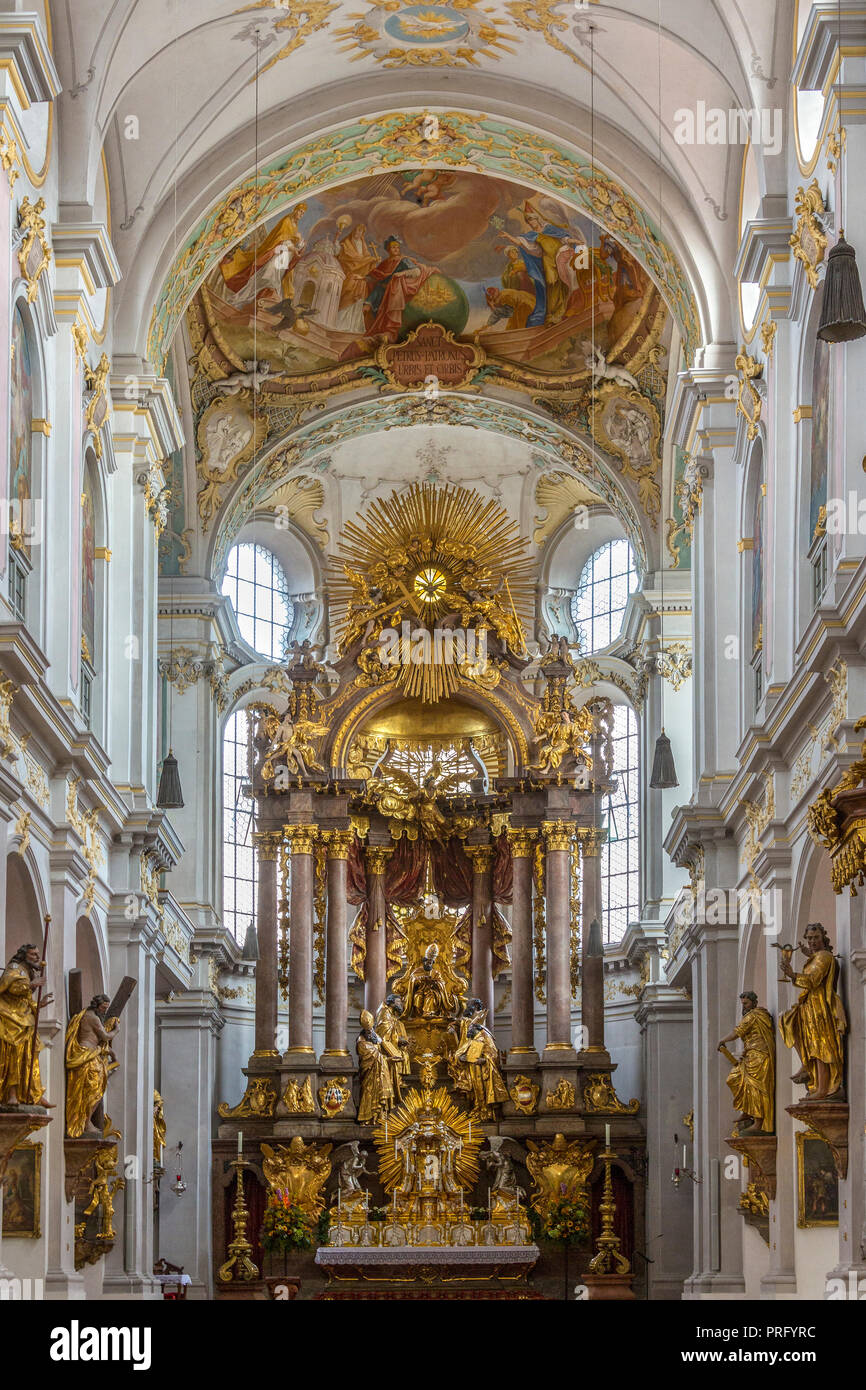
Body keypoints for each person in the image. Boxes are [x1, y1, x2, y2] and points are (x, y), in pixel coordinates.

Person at [779, 923, 847, 1100]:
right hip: (810, 1006)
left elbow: (814, 980)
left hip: (820, 1008)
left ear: (823, 937)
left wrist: (793, 975)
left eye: (816, 937)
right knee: (789, 1024)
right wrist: (809, 955)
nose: (812, 941)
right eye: (809, 938)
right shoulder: (818, 956)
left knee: (820, 1046)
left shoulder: (824, 956)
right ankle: (808, 1069)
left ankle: (823, 1088)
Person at [0, 943, 53, 1107]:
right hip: (10, 1020)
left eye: (38, 954)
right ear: (24, 955)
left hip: (25, 1020)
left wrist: (40, 1005)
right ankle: (12, 1094)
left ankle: (34, 1093)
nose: (37, 958)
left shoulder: (28, 973)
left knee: (30, 1057)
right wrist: (32, 984)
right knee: (13, 1058)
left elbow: (27, 1001)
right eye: (33, 954)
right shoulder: (14, 968)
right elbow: (10, 987)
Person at [718, 991, 775, 1134]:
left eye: (746, 1003)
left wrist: (723, 1040)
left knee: (756, 1088)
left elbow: (737, 1032)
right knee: (734, 1079)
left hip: (759, 1056)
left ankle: (759, 1121)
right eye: (742, 1004)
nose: (744, 1006)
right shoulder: (753, 1016)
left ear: (754, 1003)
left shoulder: (754, 1016)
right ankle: (747, 1110)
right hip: (750, 1055)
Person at [65, 994, 119, 1137]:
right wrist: (116, 1030)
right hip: (87, 1056)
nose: (104, 1011)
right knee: (92, 1090)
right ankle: (86, 1122)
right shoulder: (92, 1018)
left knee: (94, 1090)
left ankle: (85, 1121)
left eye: (106, 1008)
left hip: (90, 1054)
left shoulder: (90, 1015)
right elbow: (106, 1037)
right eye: (102, 1008)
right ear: (96, 1005)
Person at [363, 236, 436, 340]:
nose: (396, 249)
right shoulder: (384, 263)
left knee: (395, 286)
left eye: (397, 247)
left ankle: (391, 332)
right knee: (373, 302)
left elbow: (416, 272)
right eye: (393, 247)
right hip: (382, 292)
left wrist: (402, 273)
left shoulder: (403, 260)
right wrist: (363, 278)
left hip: (395, 291)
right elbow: (377, 278)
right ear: (388, 249)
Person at [356, 1010, 394, 1123]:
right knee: (368, 1093)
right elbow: (371, 1056)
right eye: (368, 1030)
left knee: (381, 1092)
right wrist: (387, 1059)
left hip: (381, 1072)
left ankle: (380, 1117)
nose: (371, 1031)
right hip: (369, 1073)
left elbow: (381, 1047)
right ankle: (368, 1118)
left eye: (372, 1029)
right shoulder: (361, 1041)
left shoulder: (374, 1036)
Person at [375, 994, 410, 1099]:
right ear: (392, 1002)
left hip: (391, 1045)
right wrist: (398, 1040)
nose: (400, 1004)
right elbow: (383, 1035)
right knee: (398, 1056)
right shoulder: (385, 1014)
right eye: (398, 1002)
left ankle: (398, 1080)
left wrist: (400, 1040)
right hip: (385, 1049)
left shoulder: (391, 1015)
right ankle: (397, 1082)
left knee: (403, 1055)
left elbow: (392, 1033)